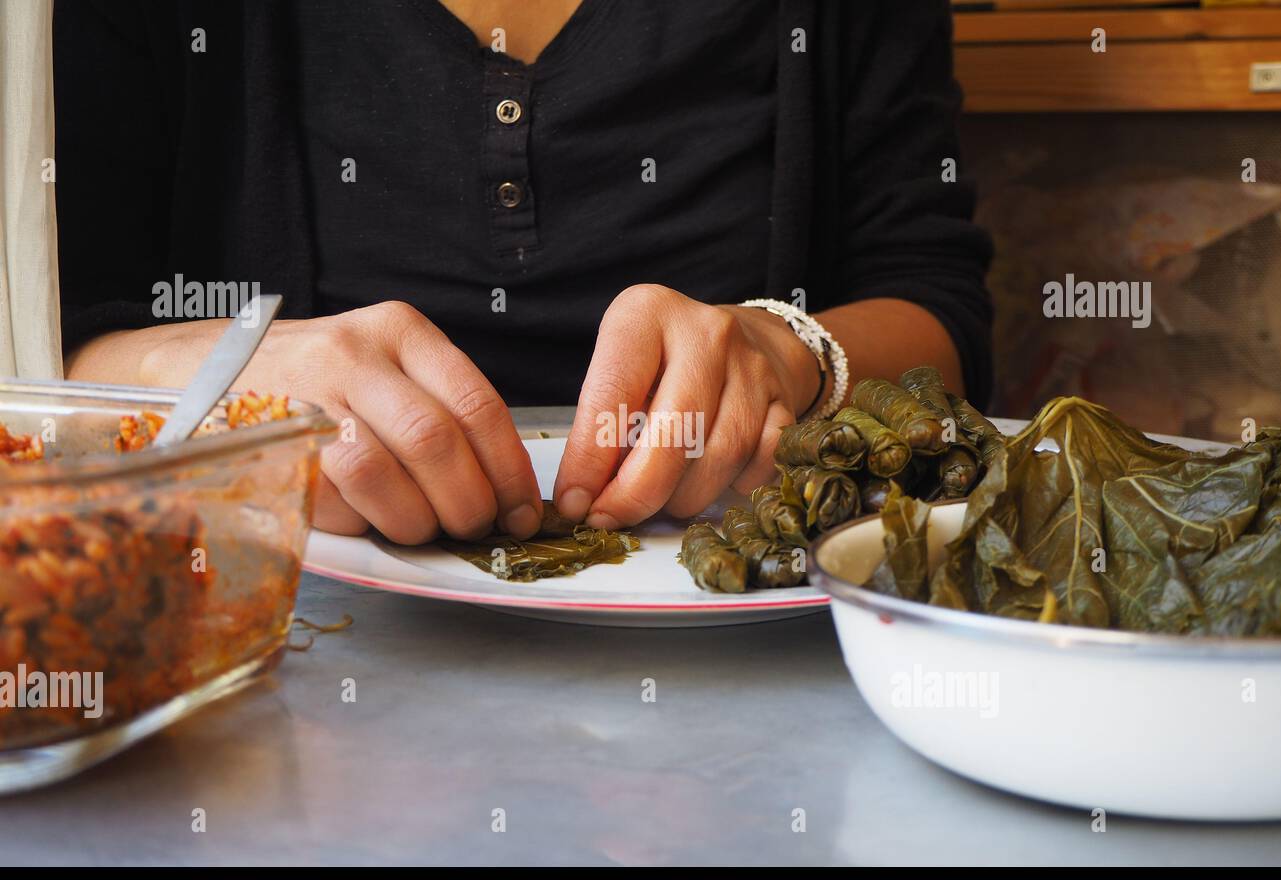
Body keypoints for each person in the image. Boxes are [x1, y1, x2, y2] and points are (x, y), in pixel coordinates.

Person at [54, 0, 992, 544]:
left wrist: (791, 352)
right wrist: (215, 378)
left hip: (760, 658)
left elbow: (941, 319)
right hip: (255, 648)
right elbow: (41, 339)